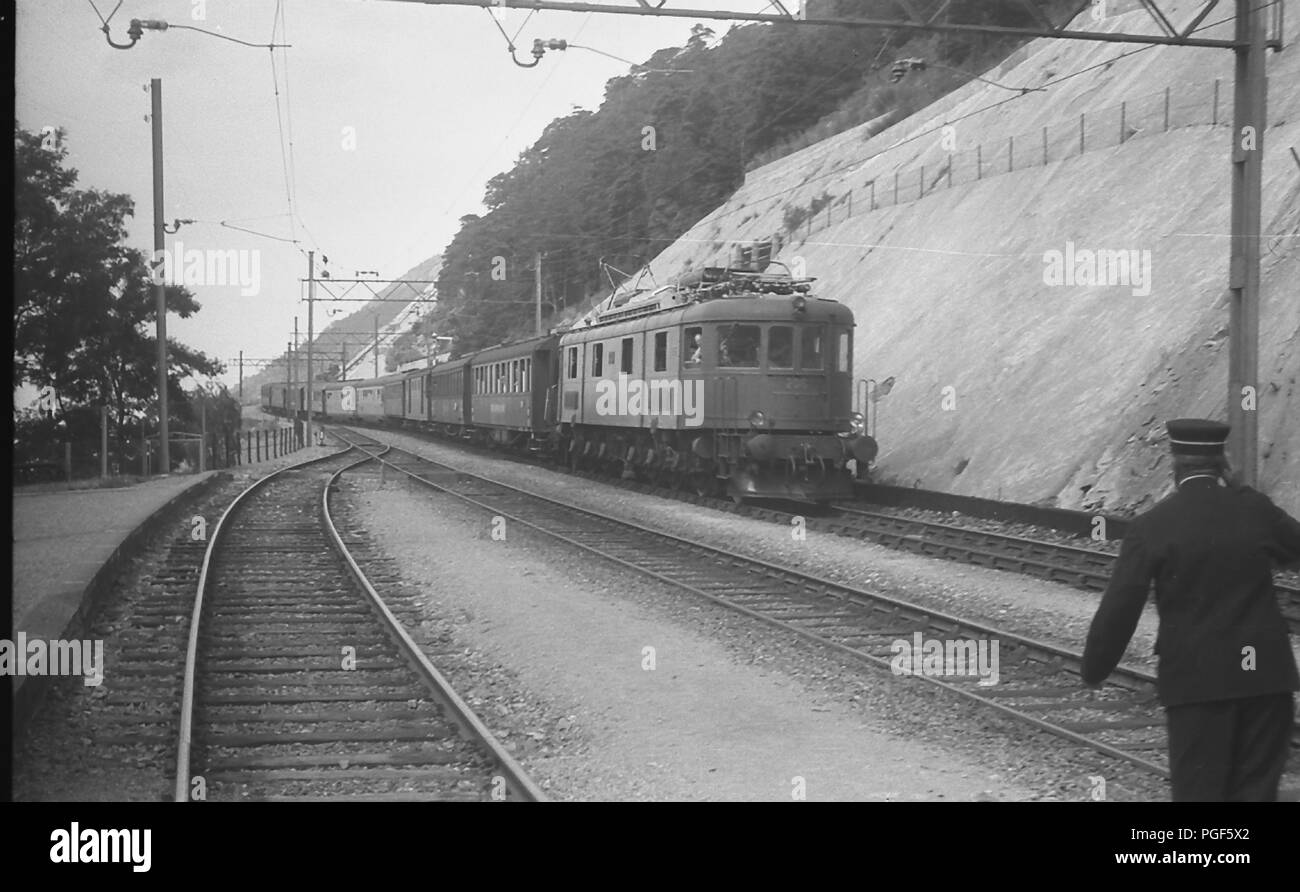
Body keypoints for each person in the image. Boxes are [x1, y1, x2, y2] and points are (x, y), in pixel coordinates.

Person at [1081, 418, 1300, 801]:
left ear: (1173, 464)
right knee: (1256, 793)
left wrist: (1095, 669)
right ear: (1224, 463)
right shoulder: (1254, 509)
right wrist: (1245, 494)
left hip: (1197, 685)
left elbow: (1121, 607)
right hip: (1265, 680)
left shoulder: (1152, 526)